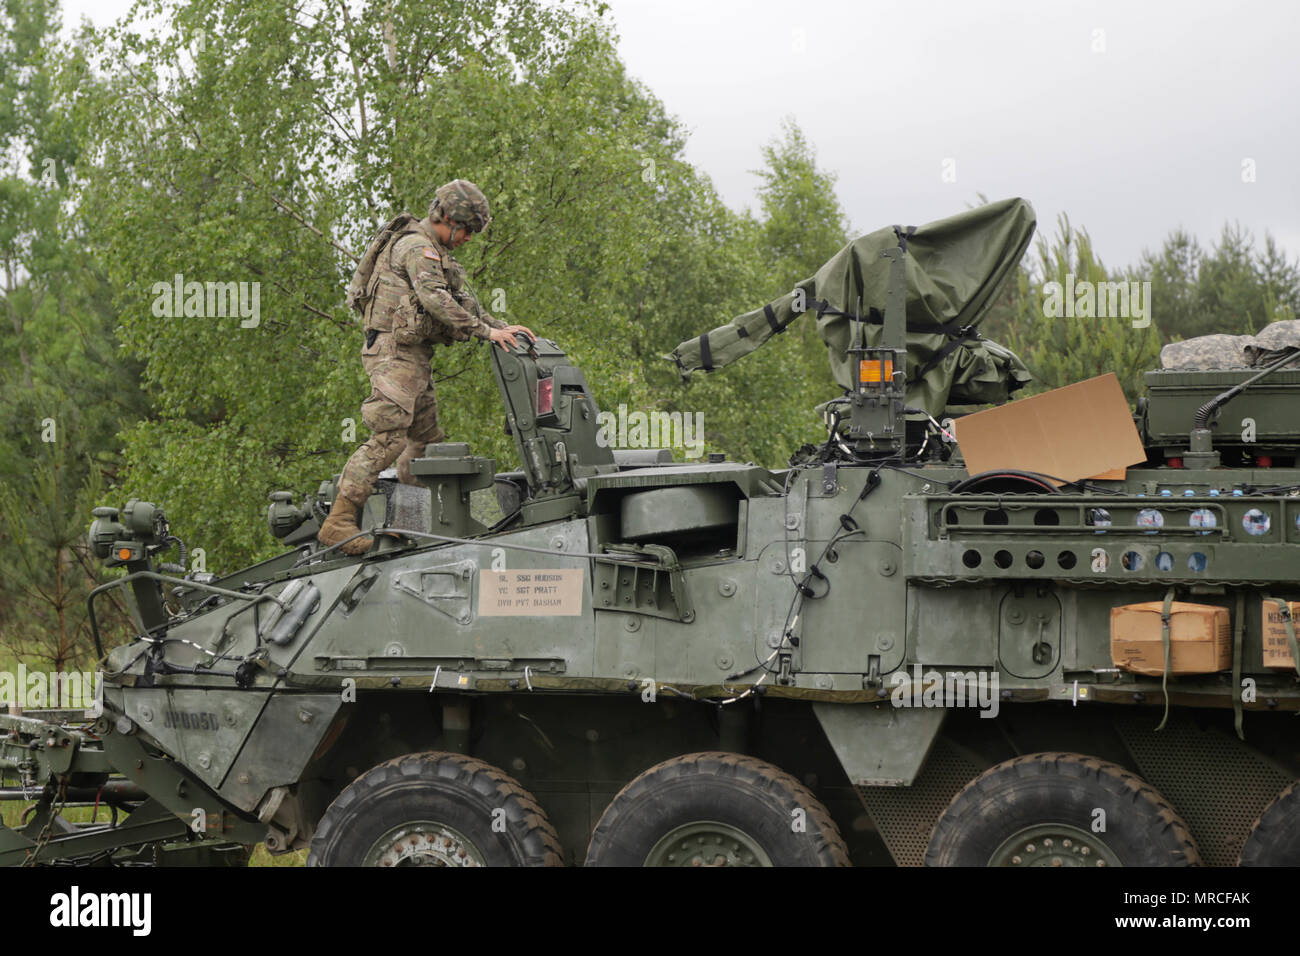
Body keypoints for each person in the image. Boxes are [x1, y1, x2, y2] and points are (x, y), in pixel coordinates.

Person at [319, 179, 535, 554]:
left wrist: (500, 327)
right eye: (467, 229)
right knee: (389, 437)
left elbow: (462, 301)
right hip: (393, 355)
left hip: (413, 357)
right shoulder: (417, 248)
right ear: (448, 218)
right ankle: (338, 522)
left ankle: (410, 523)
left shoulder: (433, 250)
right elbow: (435, 300)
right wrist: (485, 332)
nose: (468, 238)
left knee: (424, 441)